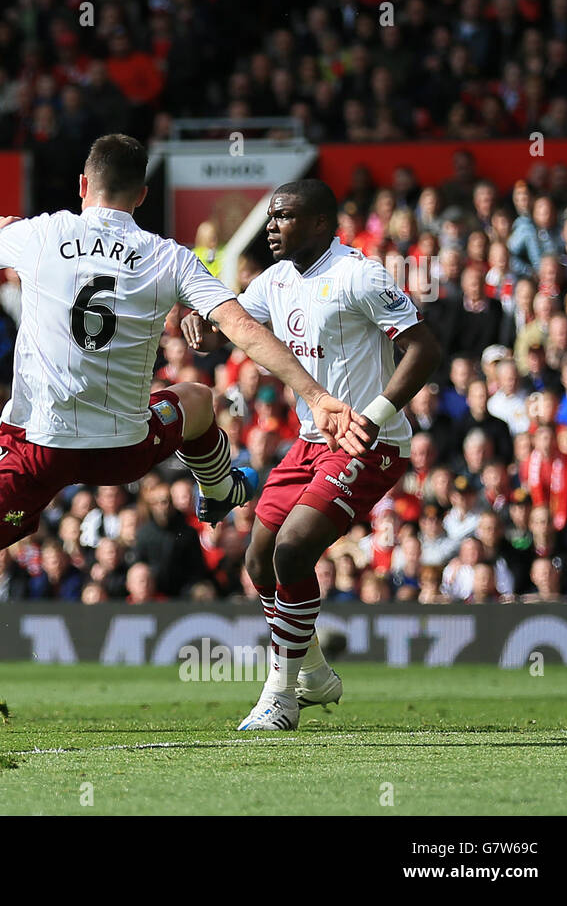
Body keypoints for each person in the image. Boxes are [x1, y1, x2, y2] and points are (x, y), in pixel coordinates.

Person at [0, 135, 357, 752]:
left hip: (36, 444)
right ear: (142, 195)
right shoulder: (167, 256)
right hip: (125, 445)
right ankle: (217, 488)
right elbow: (242, 329)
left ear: (83, 186)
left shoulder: (40, 233)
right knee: (196, 399)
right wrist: (316, 393)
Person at [183, 179, 441, 731]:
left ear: (322, 224)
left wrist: (372, 415)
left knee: (294, 549)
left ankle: (280, 696)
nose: (272, 226)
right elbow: (237, 328)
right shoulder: (275, 280)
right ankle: (316, 670)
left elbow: (424, 348)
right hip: (309, 440)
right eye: (271, 217)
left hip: (369, 441)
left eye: (285, 217)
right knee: (259, 560)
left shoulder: (359, 275)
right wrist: (204, 328)